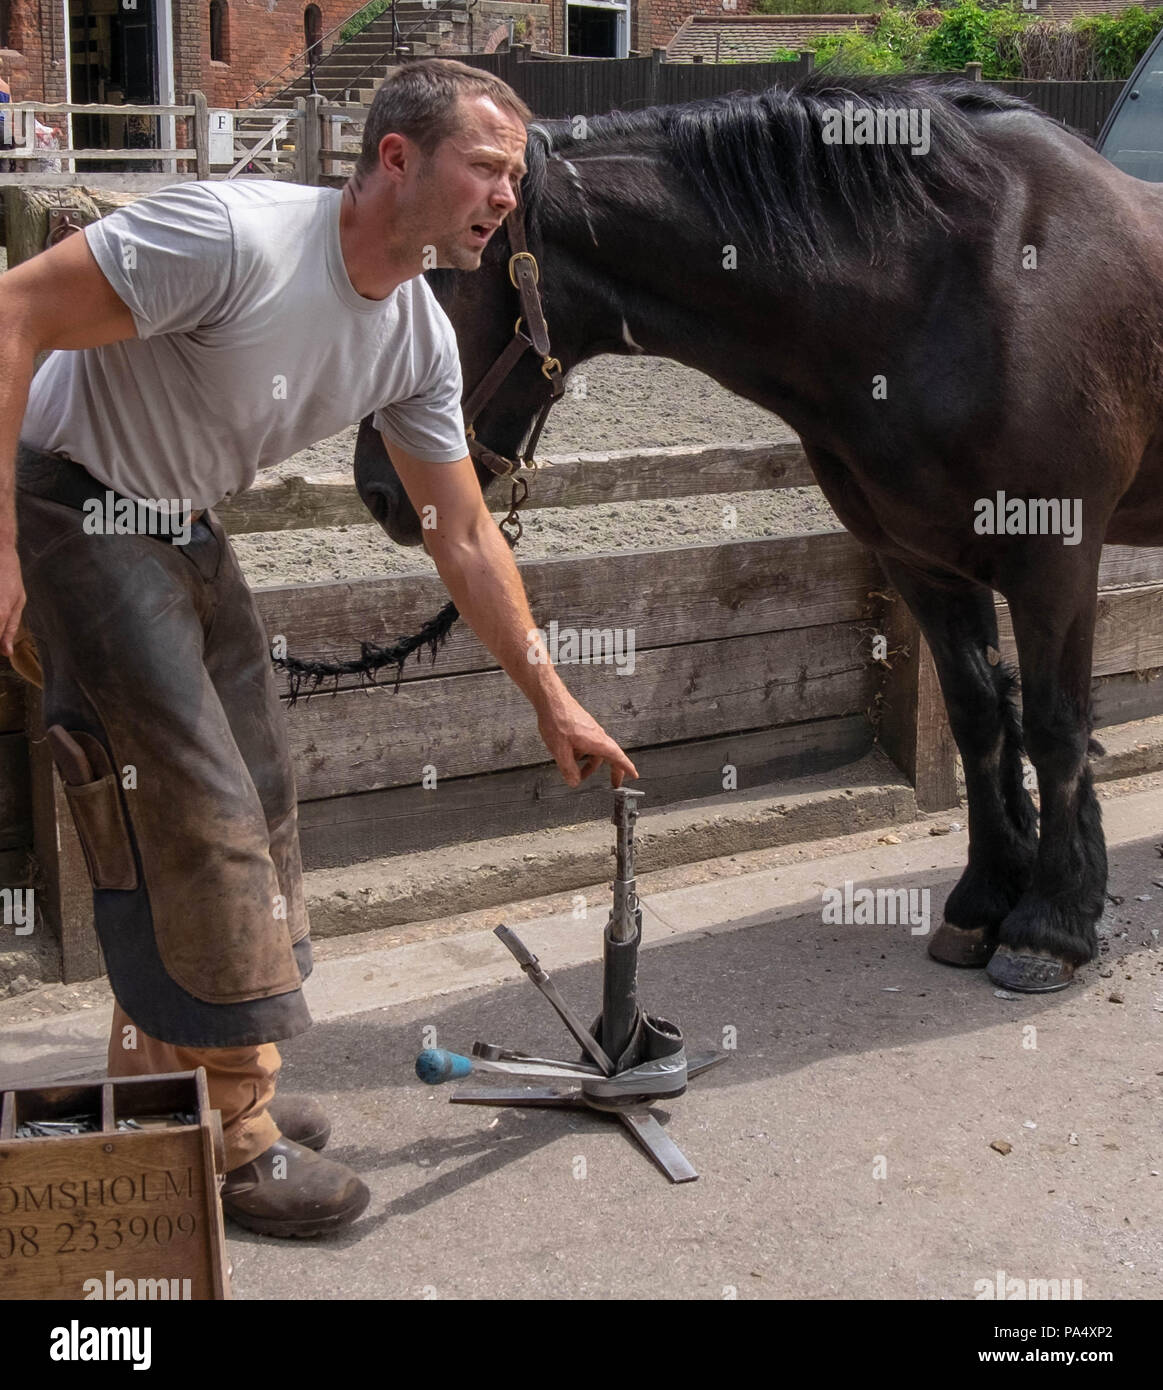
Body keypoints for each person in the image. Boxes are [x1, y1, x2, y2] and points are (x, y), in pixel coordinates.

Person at [0, 57, 639, 1239]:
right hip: (71, 501)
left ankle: (173, 1094)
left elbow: (460, 531)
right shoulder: (231, 235)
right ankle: (232, 1137)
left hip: (169, 516)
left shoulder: (412, 335)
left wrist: (549, 696)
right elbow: (15, 311)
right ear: (395, 158)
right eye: (486, 167)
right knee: (193, 808)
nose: (506, 196)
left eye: (514, 177)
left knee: (259, 790)